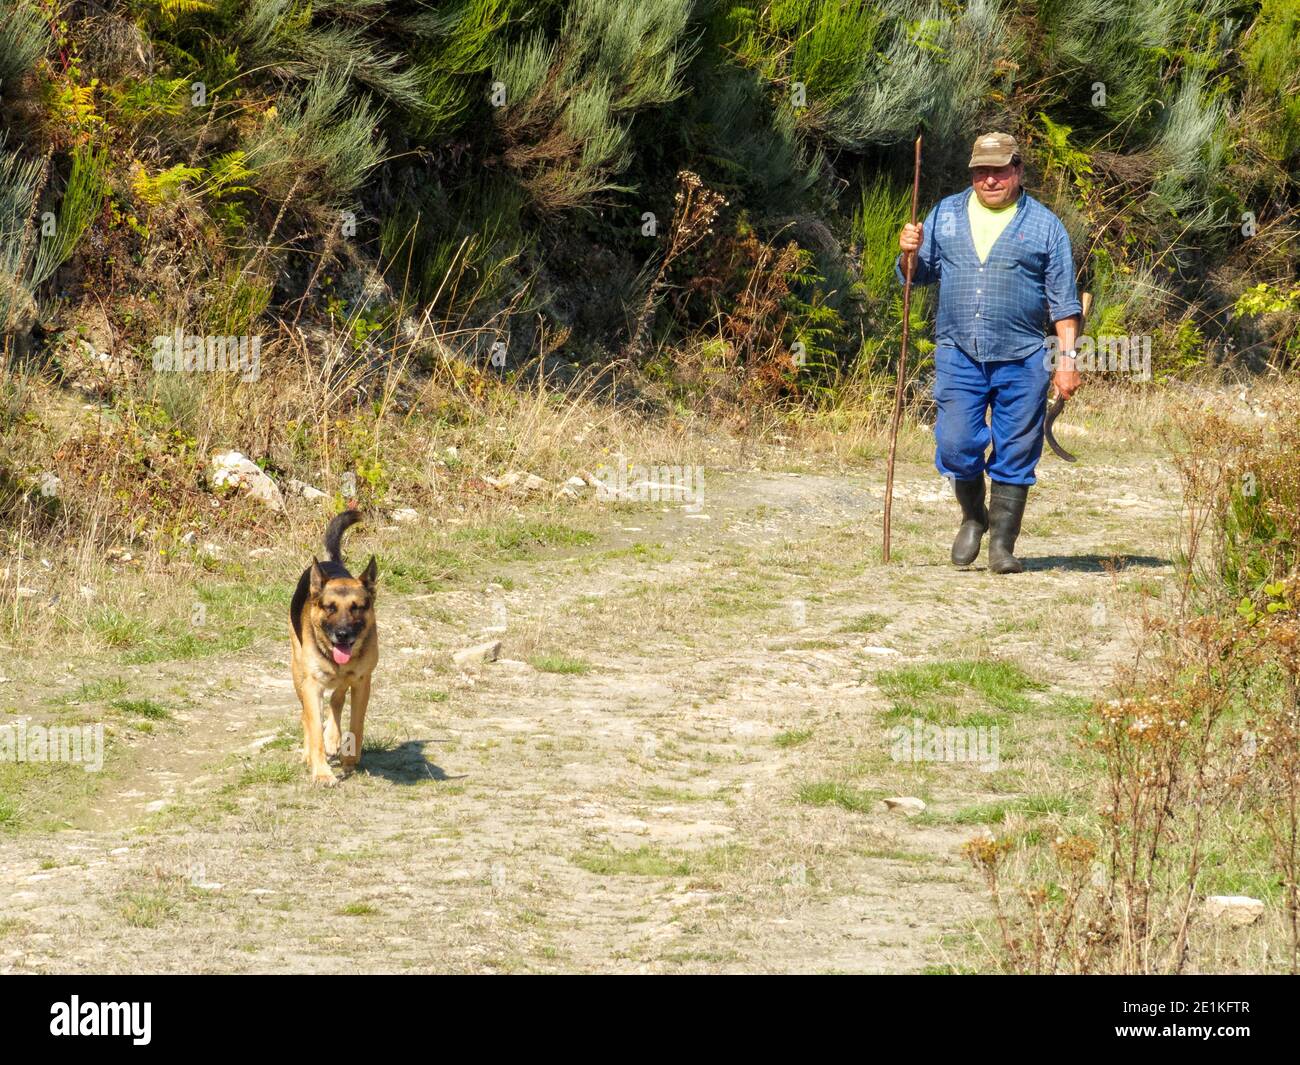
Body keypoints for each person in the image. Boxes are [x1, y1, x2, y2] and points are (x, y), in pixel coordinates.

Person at [896, 131, 1081, 573]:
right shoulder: (944, 215)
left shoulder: (1045, 226)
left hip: (1023, 357)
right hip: (958, 351)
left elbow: (1064, 302)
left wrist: (1068, 361)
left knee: (1017, 450)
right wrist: (908, 253)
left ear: (1017, 171)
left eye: (999, 170)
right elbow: (916, 276)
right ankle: (973, 516)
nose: (990, 179)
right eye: (982, 171)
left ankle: (1001, 544)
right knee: (956, 442)